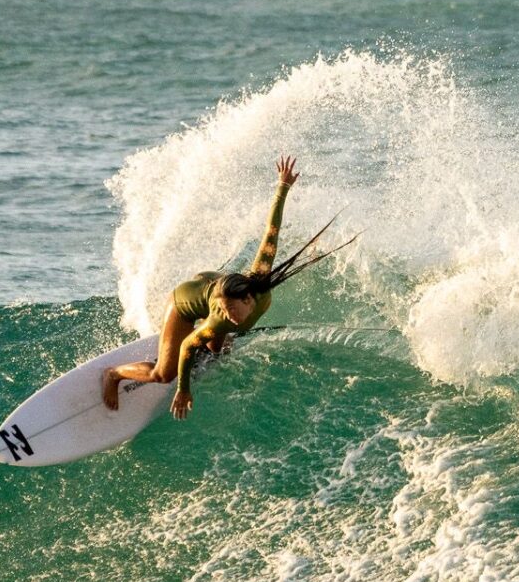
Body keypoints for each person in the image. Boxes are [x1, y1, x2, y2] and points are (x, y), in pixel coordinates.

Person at [103, 155, 348, 420]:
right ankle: (114, 373)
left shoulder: (259, 281)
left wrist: (283, 187)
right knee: (163, 374)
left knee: (218, 349)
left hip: (215, 285)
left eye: (232, 309)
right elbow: (187, 346)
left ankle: (213, 344)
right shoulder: (220, 317)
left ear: (247, 299)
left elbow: (271, 232)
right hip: (184, 302)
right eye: (225, 312)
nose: (229, 316)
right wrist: (183, 389)